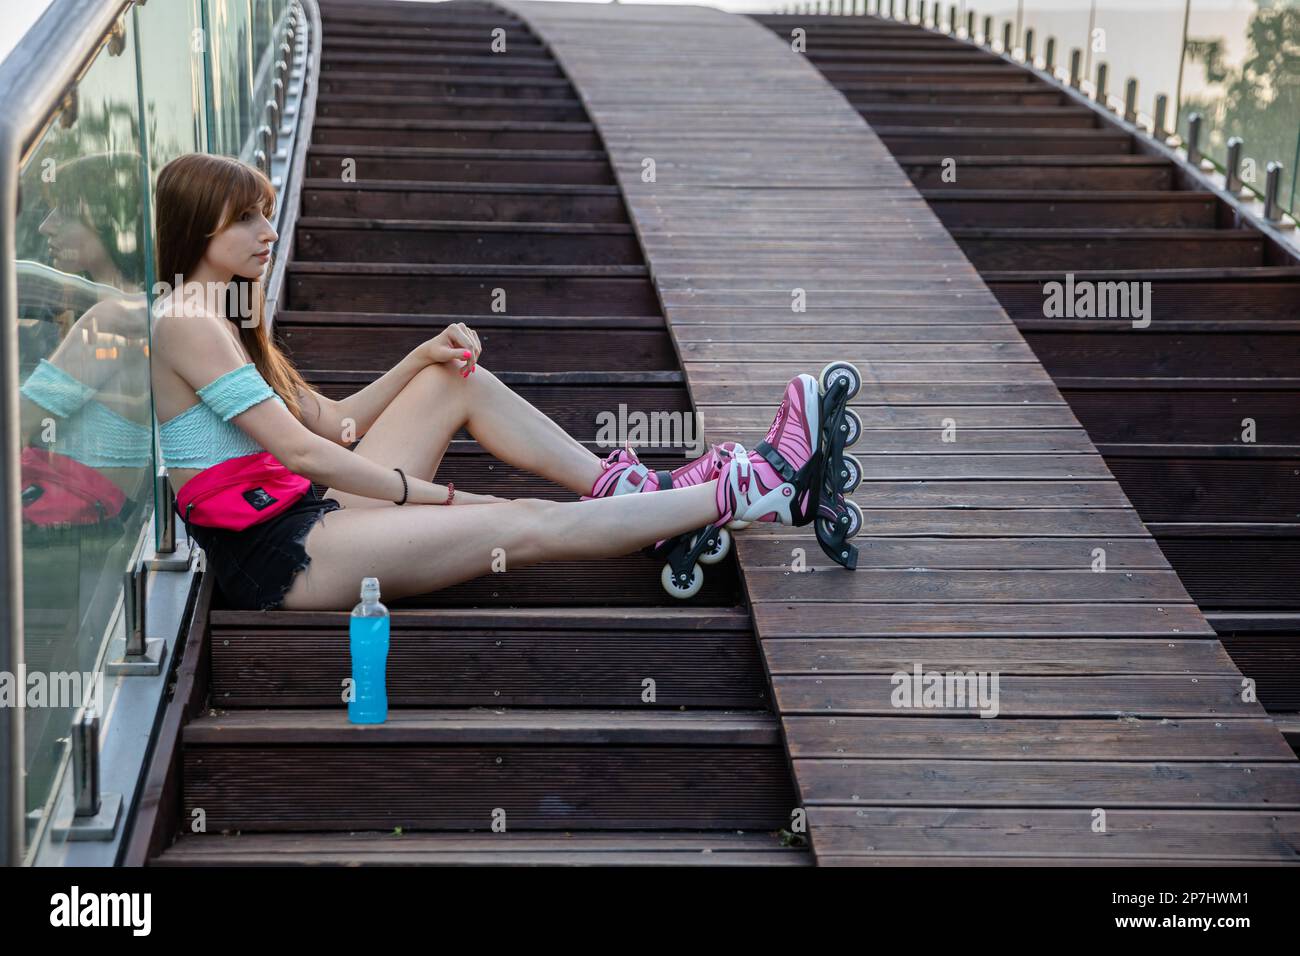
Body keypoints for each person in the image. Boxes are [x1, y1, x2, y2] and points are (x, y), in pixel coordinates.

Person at [149, 152, 825, 611]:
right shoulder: (183, 321)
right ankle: (753, 487)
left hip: (305, 515)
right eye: (246, 217)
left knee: (454, 379)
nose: (267, 231)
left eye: (267, 212)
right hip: (279, 557)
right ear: (193, 226)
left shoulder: (223, 321)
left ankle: (632, 493)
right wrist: (425, 495)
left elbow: (334, 425)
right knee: (520, 521)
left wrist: (418, 360)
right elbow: (301, 454)